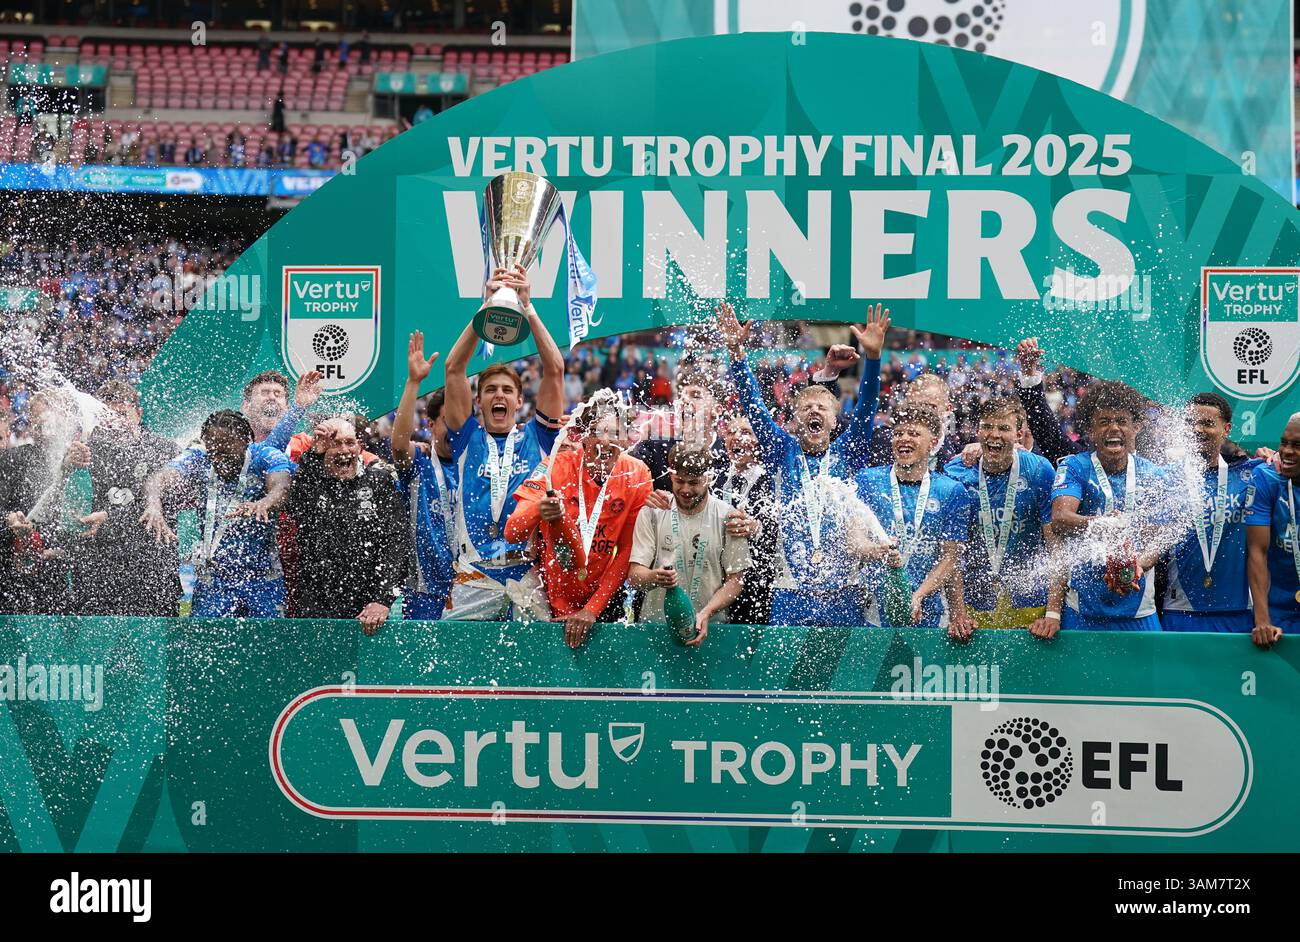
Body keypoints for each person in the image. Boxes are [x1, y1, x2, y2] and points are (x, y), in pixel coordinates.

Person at [717, 300, 887, 626]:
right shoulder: (782, 451)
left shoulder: (848, 453)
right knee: (786, 677)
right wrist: (737, 354)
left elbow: (867, 407)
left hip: (844, 591)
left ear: (836, 422)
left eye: (822, 408)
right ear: (795, 420)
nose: (814, 411)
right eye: (806, 407)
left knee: (844, 676)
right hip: (789, 590)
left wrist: (874, 358)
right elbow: (753, 404)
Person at [442, 264, 564, 619]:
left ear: (519, 401)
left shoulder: (538, 436)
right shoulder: (466, 438)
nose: (499, 395)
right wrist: (487, 309)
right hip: (474, 574)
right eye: (490, 390)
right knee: (453, 669)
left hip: (526, 575)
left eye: (507, 390)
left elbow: (554, 368)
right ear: (478, 402)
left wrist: (527, 306)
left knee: (537, 671)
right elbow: (453, 368)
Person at [506, 392, 652, 648]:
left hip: (603, 598)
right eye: (596, 431)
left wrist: (592, 610)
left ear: (625, 438)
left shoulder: (637, 473)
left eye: (613, 432)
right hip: (549, 595)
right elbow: (512, 532)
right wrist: (540, 509)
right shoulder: (554, 467)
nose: (604, 442)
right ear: (582, 437)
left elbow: (628, 549)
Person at [1045, 381, 1173, 634]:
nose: (1113, 428)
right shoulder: (1075, 467)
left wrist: (1138, 566)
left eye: (1121, 421)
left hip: (1139, 614)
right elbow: (1060, 519)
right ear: (1091, 431)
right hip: (1082, 612)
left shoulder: (1155, 475)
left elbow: (1157, 539)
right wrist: (1103, 523)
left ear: (1136, 428)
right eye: (1104, 422)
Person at [140, 410, 293, 618]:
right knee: (205, 644)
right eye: (214, 452)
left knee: (268, 645)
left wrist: (264, 503)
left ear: (245, 441)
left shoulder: (264, 455)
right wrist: (154, 505)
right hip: (214, 582)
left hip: (263, 580)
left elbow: (282, 486)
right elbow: (158, 479)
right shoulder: (199, 457)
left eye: (226, 451)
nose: (219, 459)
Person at [856, 404, 973, 636]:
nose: (904, 439)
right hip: (873, 616)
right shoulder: (868, 480)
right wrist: (875, 551)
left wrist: (917, 596)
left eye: (914, 433)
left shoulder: (951, 491)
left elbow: (950, 558)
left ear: (933, 443)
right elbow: (854, 539)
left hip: (930, 614)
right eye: (899, 433)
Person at [943, 396, 1056, 631]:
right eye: (987, 427)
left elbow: (1055, 547)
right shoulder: (956, 472)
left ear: (1018, 434)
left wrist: (1053, 613)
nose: (994, 435)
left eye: (1004, 428)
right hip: (974, 606)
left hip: (1031, 605)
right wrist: (957, 614)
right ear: (977, 430)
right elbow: (950, 553)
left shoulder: (1038, 470)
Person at [285, 418, 408, 634]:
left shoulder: (378, 481)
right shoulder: (312, 481)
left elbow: (396, 543)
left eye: (350, 442)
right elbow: (295, 504)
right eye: (335, 443)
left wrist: (382, 600)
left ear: (359, 446)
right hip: (317, 608)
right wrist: (314, 455)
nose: (344, 450)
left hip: (369, 611)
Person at [75, 379, 180, 616]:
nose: (115, 424)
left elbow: (165, 506)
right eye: (108, 417)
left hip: (153, 574)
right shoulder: (85, 452)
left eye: (122, 415)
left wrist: (111, 520)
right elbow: (74, 508)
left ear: (138, 413)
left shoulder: (165, 450)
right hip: (98, 576)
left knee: (155, 651)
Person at [628, 444, 751, 646]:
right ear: (671, 476)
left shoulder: (728, 517)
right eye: (680, 481)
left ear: (709, 478)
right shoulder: (652, 512)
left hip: (711, 630)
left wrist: (707, 612)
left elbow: (736, 581)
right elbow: (634, 576)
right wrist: (654, 577)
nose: (685, 489)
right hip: (657, 630)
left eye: (694, 482)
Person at [1163, 393, 1259, 634]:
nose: (1198, 429)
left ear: (1226, 429)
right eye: (1191, 422)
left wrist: (1277, 458)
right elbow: (1156, 537)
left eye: (1207, 423)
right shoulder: (1166, 478)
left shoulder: (1254, 473)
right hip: (1181, 610)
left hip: (1238, 610)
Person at [0, 388, 89, 615]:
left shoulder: (87, 460)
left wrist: (68, 550)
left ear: (67, 420)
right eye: (37, 419)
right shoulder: (13, 459)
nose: (43, 425)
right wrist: (8, 519)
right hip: (21, 580)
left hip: (76, 583)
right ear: (30, 422)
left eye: (50, 418)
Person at [391, 331, 456, 621]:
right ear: (430, 424)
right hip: (424, 591)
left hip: (476, 588)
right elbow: (398, 445)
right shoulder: (421, 461)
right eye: (447, 419)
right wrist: (414, 382)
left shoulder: (479, 464)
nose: (455, 426)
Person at [1244, 412, 1300, 648]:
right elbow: (1258, 551)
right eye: (1284, 443)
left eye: (1297, 446)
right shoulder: (1266, 477)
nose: (1286, 451)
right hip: (1278, 611)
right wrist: (1262, 620)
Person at [717, 414, 776, 624]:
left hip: (755, 587)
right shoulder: (715, 478)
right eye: (731, 432)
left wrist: (757, 528)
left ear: (758, 441)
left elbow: (779, 534)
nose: (736, 437)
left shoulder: (771, 481)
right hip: (717, 580)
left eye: (746, 432)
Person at [867, 373, 965, 469]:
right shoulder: (880, 440)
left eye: (930, 407)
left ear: (948, 409)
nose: (920, 414)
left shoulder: (961, 456)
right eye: (913, 406)